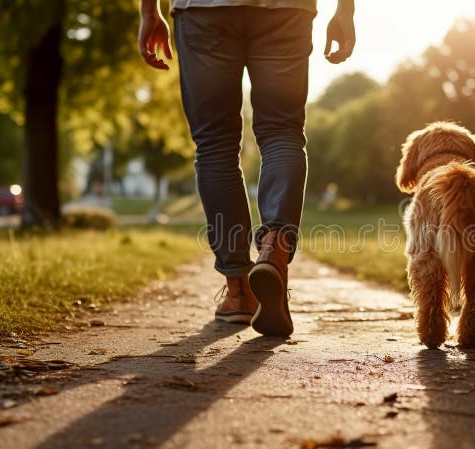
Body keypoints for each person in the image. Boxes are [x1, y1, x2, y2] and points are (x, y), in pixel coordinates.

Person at [138, 0, 355, 337]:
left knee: (215, 145)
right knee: (282, 131)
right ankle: (274, 247)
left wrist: (149, 11)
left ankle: (239, 291)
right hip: (287, 10)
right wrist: (345, 10)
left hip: (203, 10)